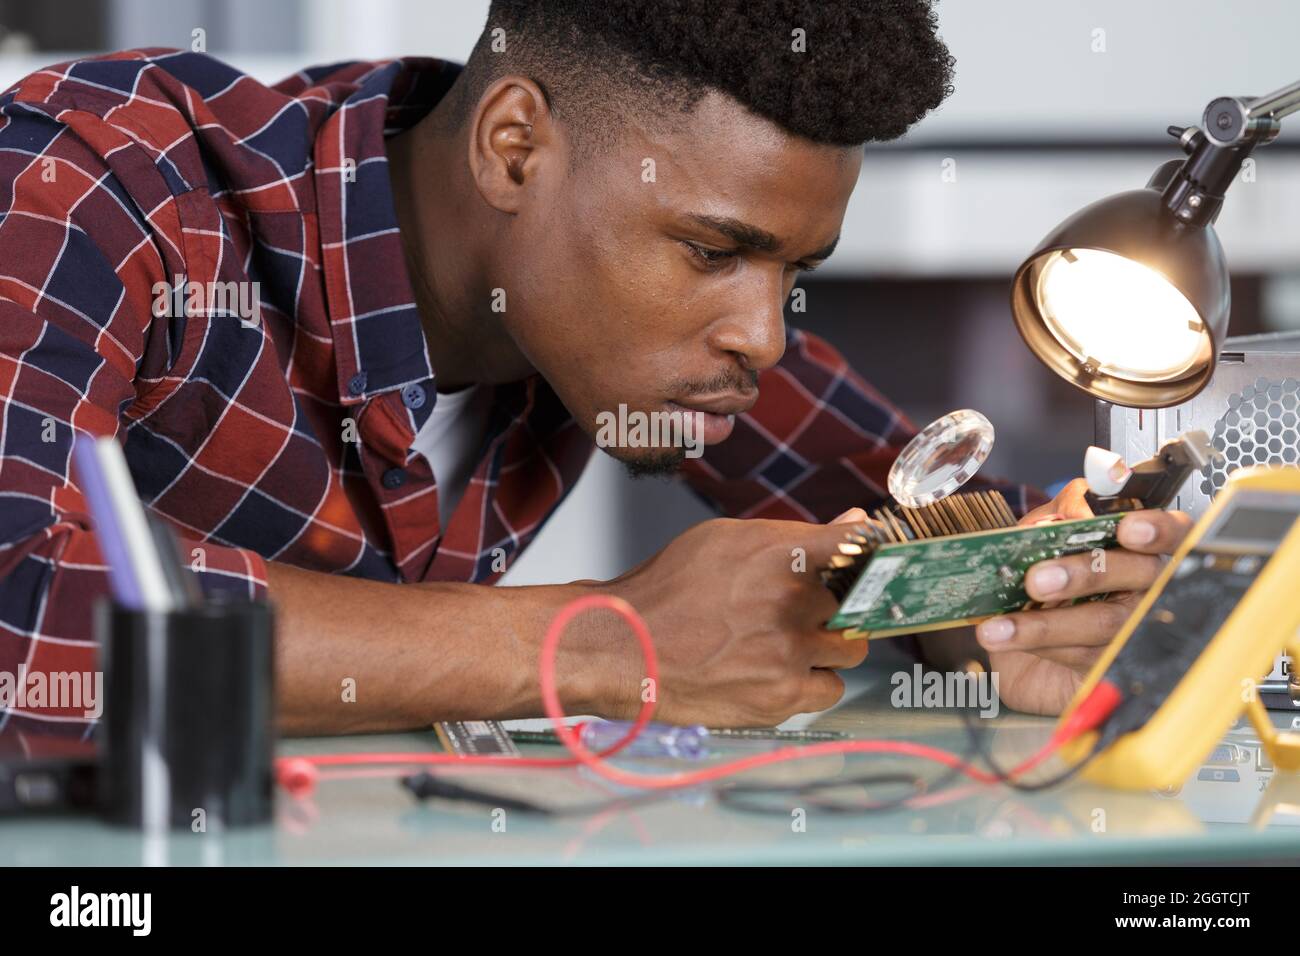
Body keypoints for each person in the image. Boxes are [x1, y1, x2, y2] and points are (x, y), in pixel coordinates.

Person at [0, 0, 1189, 738]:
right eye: (715, 250)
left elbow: (890, 511)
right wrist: (609, 642)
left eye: (791, 272)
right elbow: (16, 603)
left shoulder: (645, 329)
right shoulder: (107, 185)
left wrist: (999, 613)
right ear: (514, 148)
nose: (763, 337)